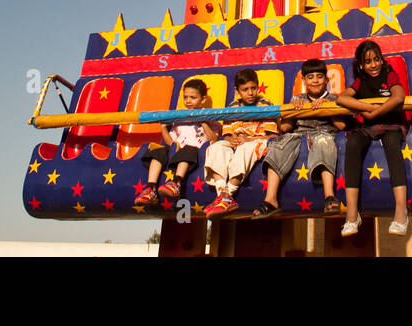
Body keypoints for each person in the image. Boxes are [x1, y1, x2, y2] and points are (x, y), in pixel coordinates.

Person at [253, 59, 346, 218]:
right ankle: (270, 200)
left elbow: (341, 126)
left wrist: (327, 108)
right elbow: (285, 128)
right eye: (310, 77)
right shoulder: (298, 99)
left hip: (323, 134)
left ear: (326, 80)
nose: (315, 81)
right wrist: (293, 111)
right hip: (299, 136)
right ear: (304, 81)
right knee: (280, 144)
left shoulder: (333, 99)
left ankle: (329, 196)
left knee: (324, 142)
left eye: (319, 76)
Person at [337, 40, 409, 236]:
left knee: (393, 144)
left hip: (391, 123)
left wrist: (376, 113)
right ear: (361, 65)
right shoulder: (360, 82)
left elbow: (398, 97)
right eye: (368, 62)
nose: (374, 65)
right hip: (367, 127)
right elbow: (342, 98)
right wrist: (368, 108)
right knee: (352, 143)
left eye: (377, 59)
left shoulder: (389, 74)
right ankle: (352, 215)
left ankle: (401, 212)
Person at [203, 69, 276, 215]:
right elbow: (227, 134)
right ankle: (222, 195)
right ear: (237, 91)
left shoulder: (265, 104)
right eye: (245, 89)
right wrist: (232, 139)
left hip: (257, 141)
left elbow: (272, 136)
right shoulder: (233, 107)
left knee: (246, 148)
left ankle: (228, 193)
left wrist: (248, 139)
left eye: (253, 88)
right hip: (236, 142)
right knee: (216, 147)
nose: (250, 93)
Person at [134, 78, 217, 205]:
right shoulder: (179, 117)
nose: (188, 101)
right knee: (158, 151)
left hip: (194, 154)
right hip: (176, 152)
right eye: (185, 97)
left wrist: (204, 122)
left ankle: (176, 183)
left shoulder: (211, 118)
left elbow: (214, 139)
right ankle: (151, 188)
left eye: (193, 97)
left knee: (188, 149)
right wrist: (163, 128)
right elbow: (170, 142)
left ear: (203, 99)